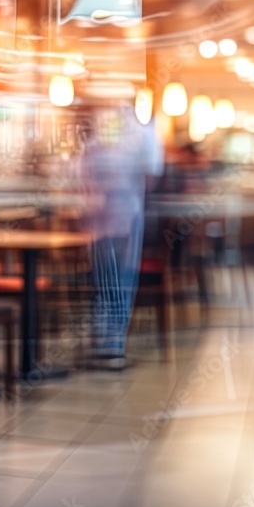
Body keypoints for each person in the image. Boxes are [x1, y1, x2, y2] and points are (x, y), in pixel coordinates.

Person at [81, 109, 164, 369]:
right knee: (113, 282)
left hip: (113, 219)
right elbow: (152, 174)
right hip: (116, 218)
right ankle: (109, 344)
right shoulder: (137, 133)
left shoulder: (129, 133)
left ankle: (109, 345)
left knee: (111, 282)